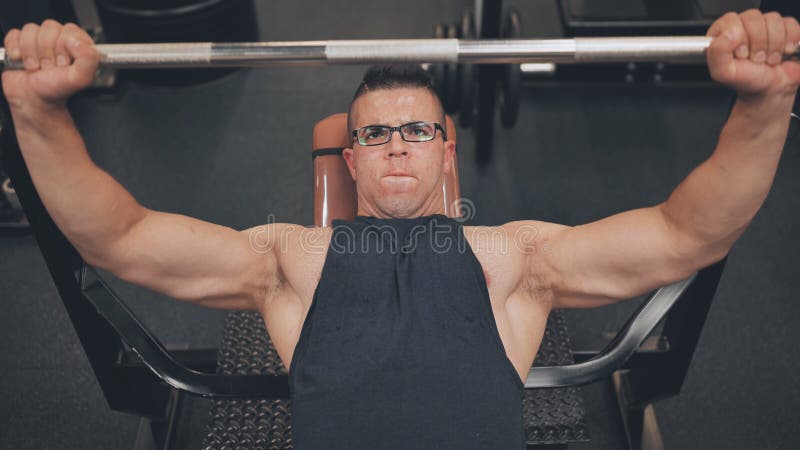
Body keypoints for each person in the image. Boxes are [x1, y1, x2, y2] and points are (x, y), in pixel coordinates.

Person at [2, 10, 799, 450]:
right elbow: (121, 239)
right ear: (348, 158)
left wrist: (763, 107)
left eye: (416, 132)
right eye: (375, 135)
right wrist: (37, 112)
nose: (394, 147)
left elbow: (687, 235)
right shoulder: (288, 260)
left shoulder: (516, 258)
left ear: (445, 154)